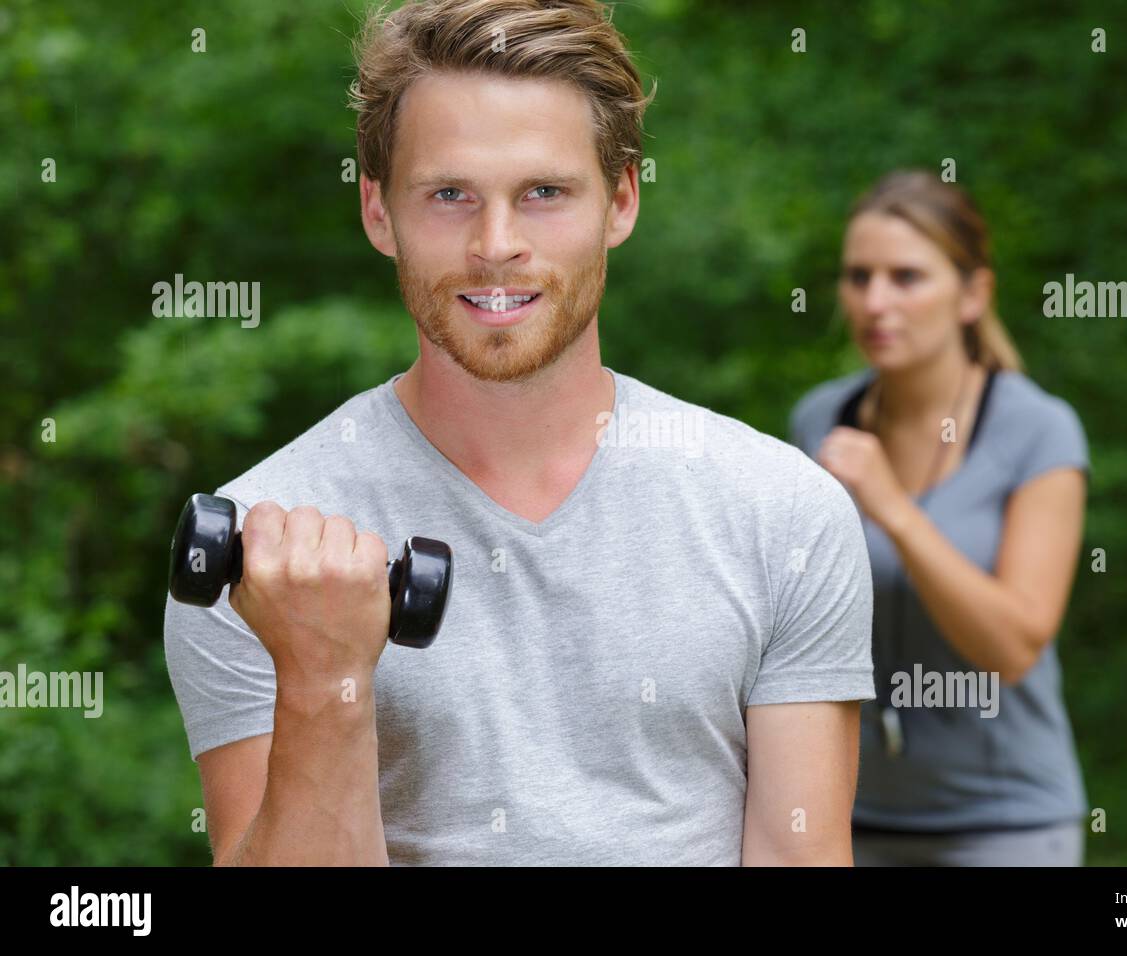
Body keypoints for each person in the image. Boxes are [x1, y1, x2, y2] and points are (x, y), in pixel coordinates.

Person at [163, 0, 874, 867]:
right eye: (450, 194)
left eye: (543, 193)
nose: (496, 245)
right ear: (379, 211)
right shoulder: (263, 549)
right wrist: (322, 678)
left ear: (620, 201)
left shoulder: (783, 513)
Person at [788, 170, 1091, 866]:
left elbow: (1014, 646)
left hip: (1004, 823)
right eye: (858, 277)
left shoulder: (1037, 431)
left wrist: (893, 508)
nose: (876, 301)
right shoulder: (818, 420)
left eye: (906, 277)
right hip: (849, 816)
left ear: (973, 294)